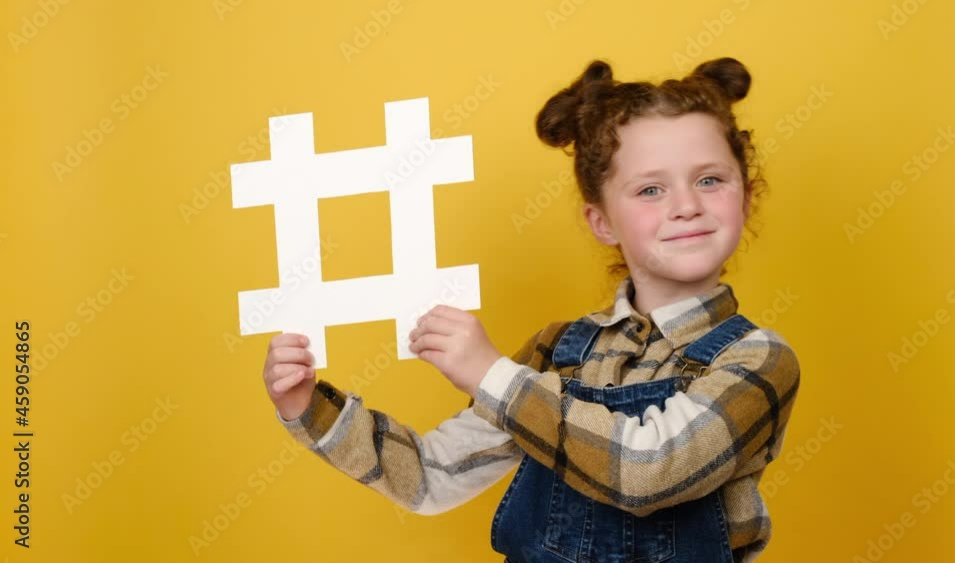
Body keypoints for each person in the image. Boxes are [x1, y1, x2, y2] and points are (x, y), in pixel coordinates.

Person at [262, 56, 800, 563]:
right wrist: (308, 407)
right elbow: (432, 476)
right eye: (651, 189)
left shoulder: (757, 359)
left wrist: (489, 373)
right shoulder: (559, 349)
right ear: (602, 221)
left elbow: (648, 470)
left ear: (746, 195)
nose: (686, 205)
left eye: (710, 179)